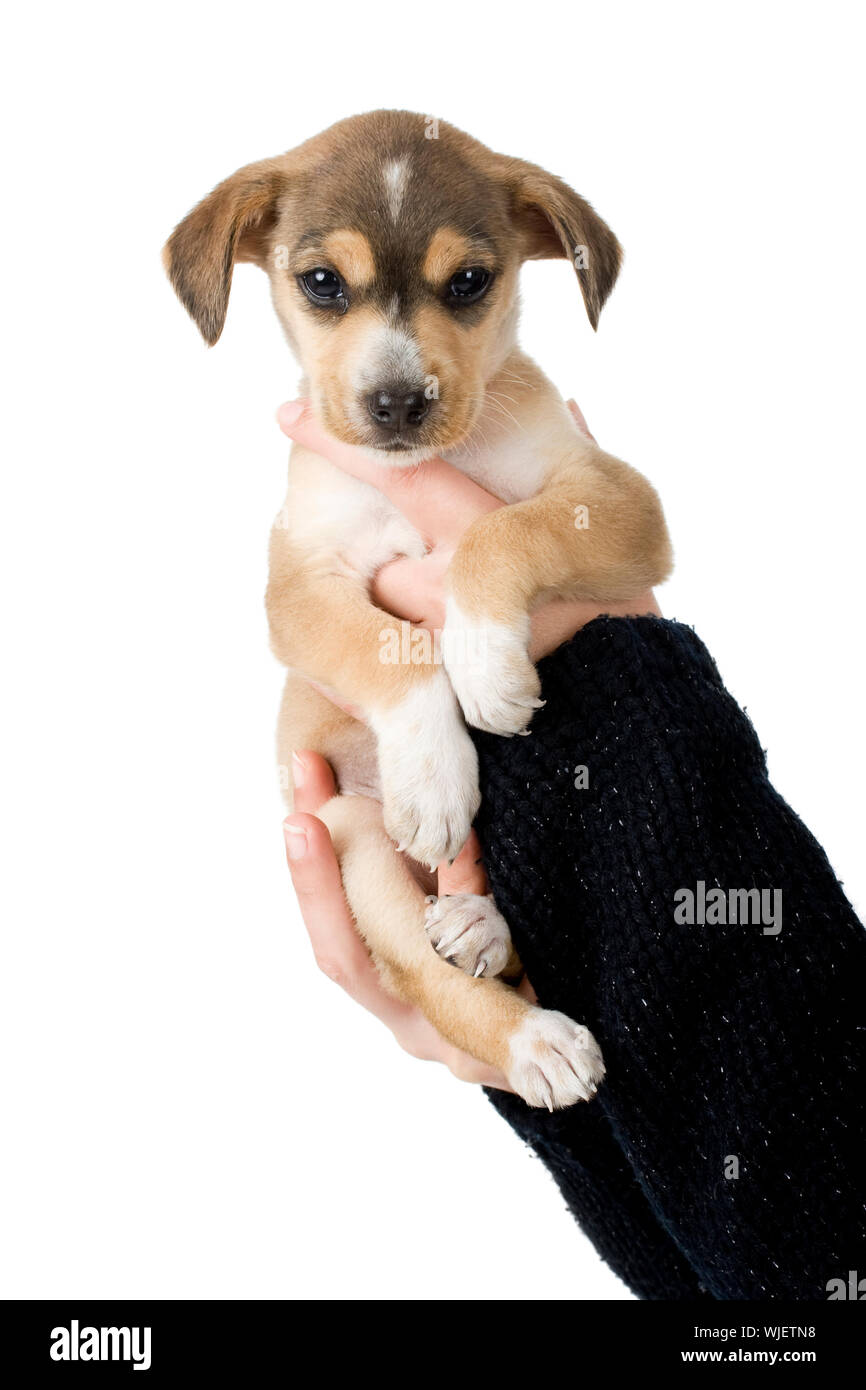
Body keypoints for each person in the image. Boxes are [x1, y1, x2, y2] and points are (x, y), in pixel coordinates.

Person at [277, 398, 866, 1301]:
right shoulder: (318, 477)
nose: (397, 367)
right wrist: (412, 697)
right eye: (325, 289)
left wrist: (517, 598)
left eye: (465, 286)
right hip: (384, 802)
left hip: (562, 859)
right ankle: (490, 1009)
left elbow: (631, 528)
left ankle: (501, 992)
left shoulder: (517, 403)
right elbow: (296, 611)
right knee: (352, 842)